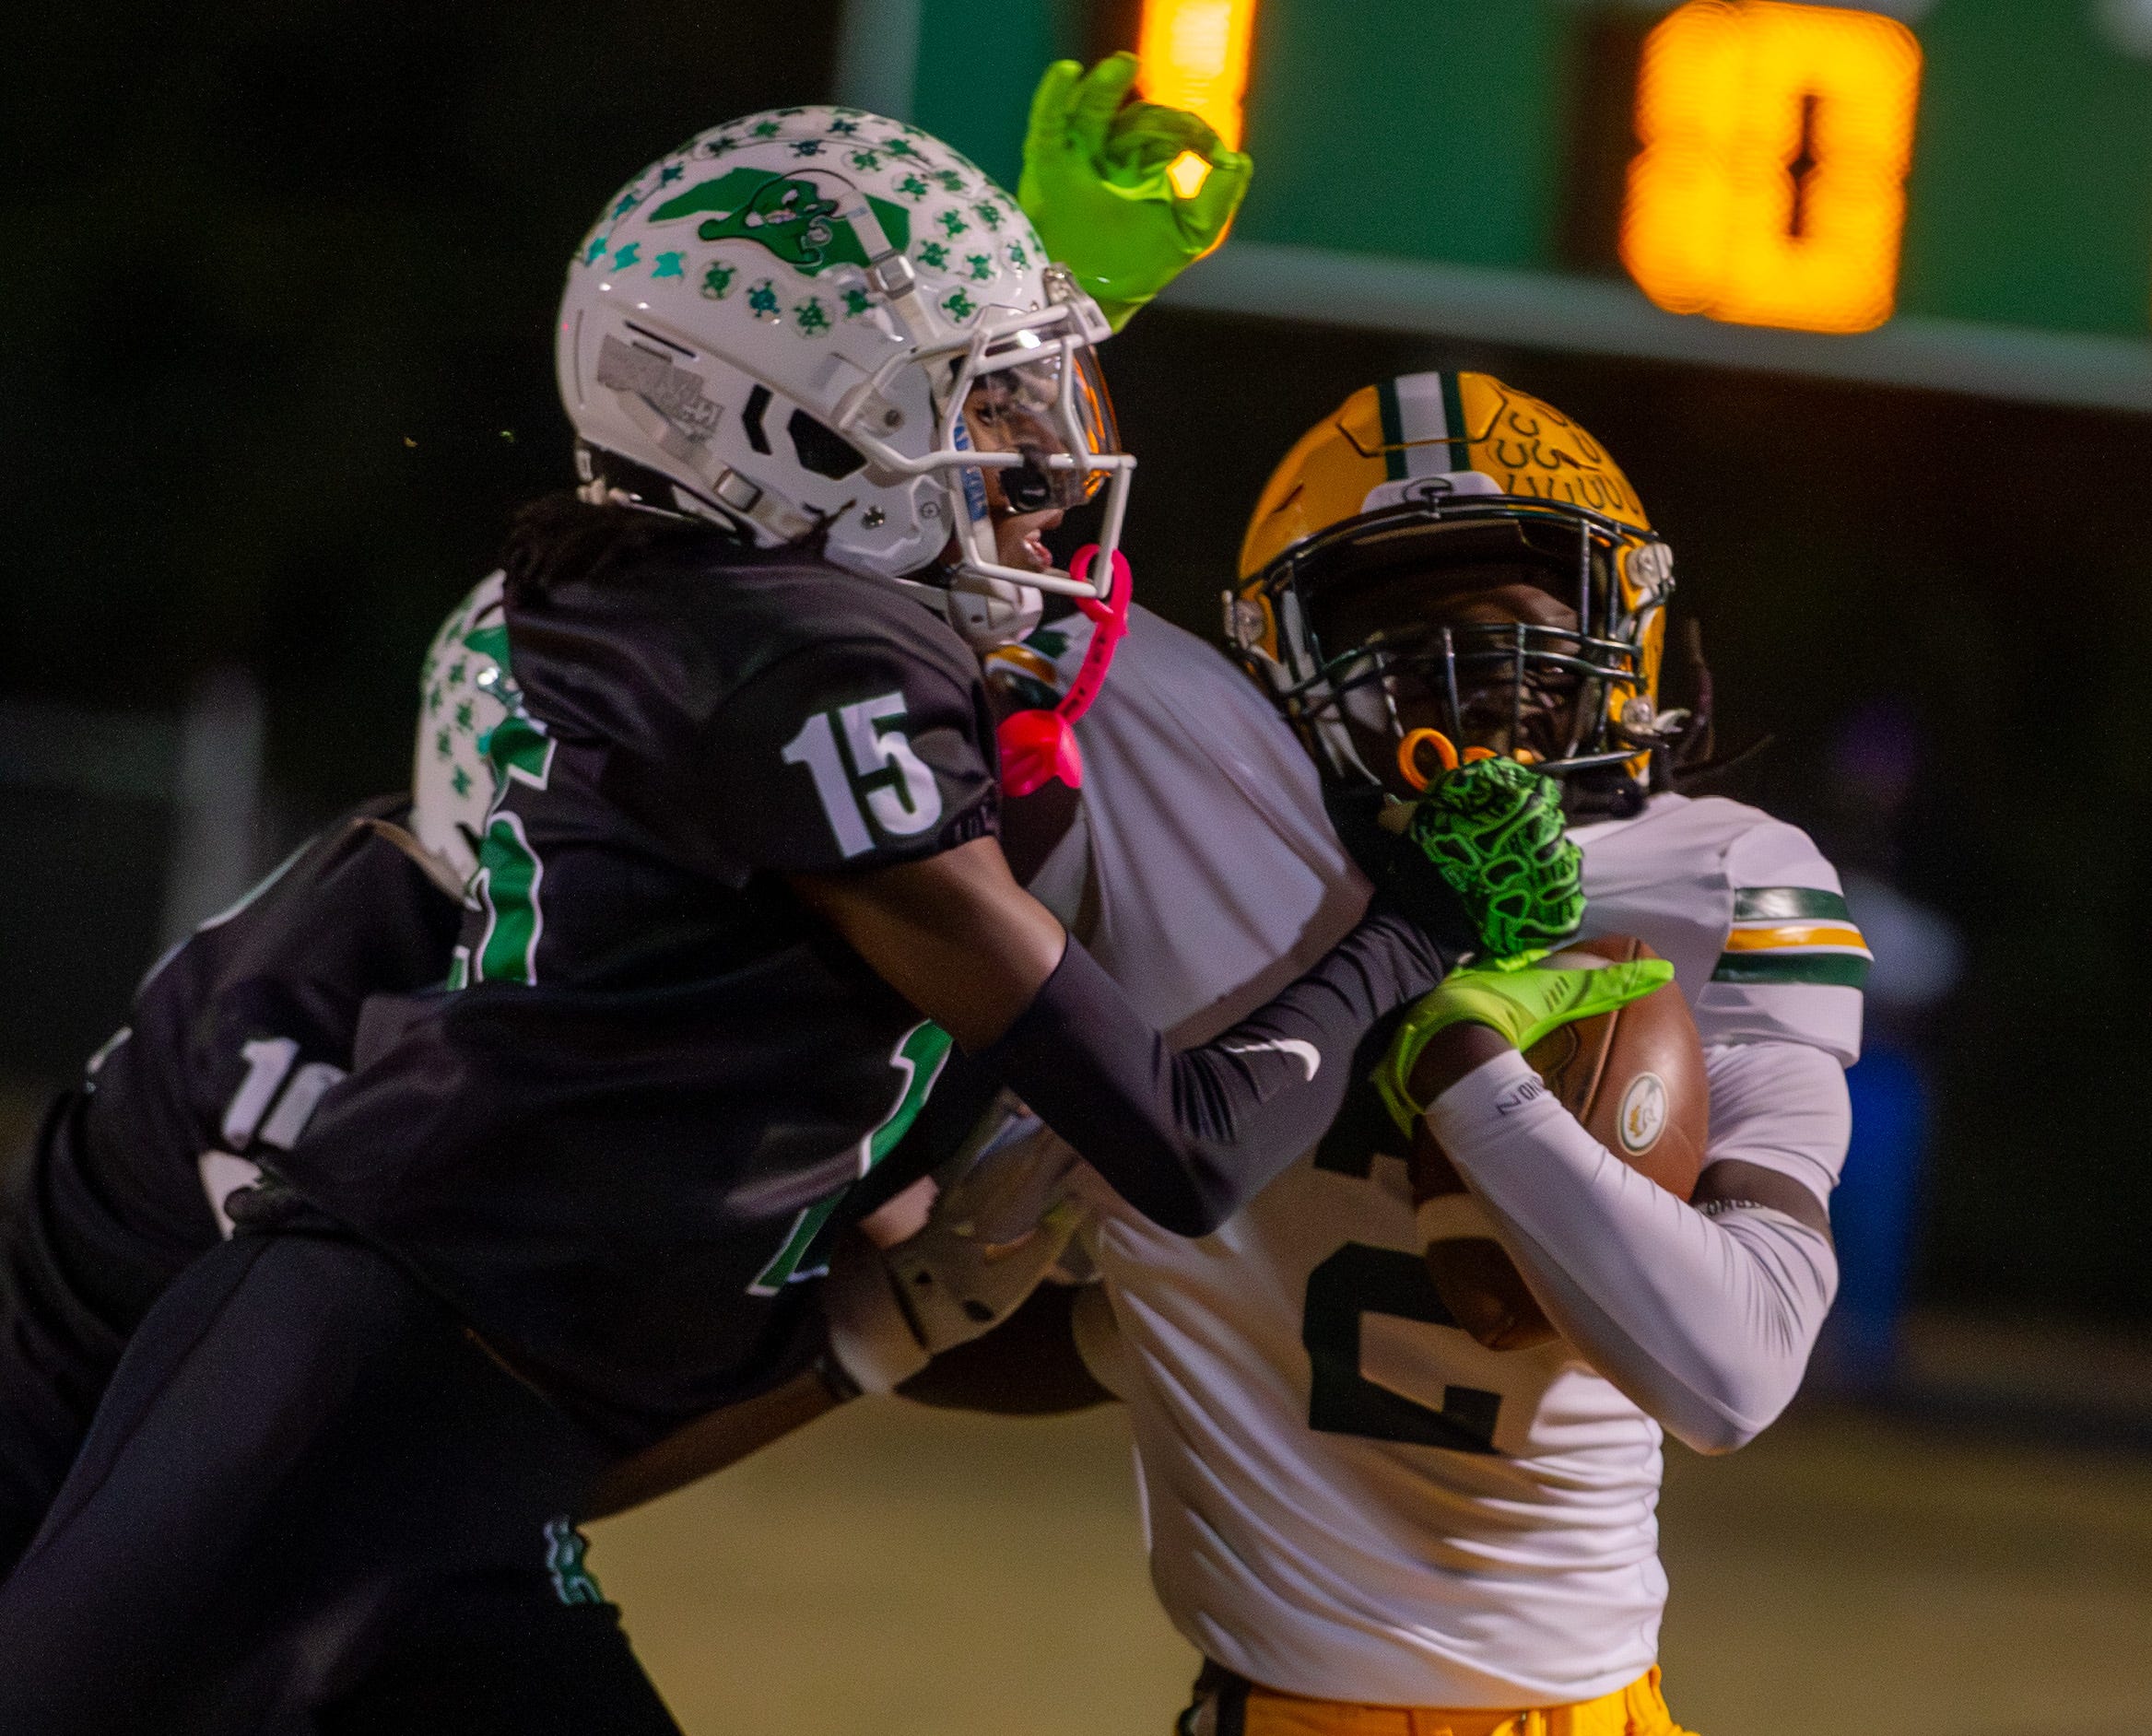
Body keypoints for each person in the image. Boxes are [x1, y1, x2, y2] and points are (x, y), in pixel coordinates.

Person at [0, 96, 1612, 1733]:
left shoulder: (725, 596)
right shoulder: (810, 670)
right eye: (983, 402)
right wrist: (1412, 927)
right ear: (789, 438)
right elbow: (1185, 1148)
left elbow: (939, 593)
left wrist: (1047, 293)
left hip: (465, 1433)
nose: (1045, 465)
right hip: (355, 1402)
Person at [885, 371, 1867, 1735]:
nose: (1470, 669)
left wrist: (1465, 1063)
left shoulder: (1718, 878)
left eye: (1519, 621)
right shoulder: (1198, 798)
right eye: (1401, 629)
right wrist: (1137, 1321)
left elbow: (1733, 1368)